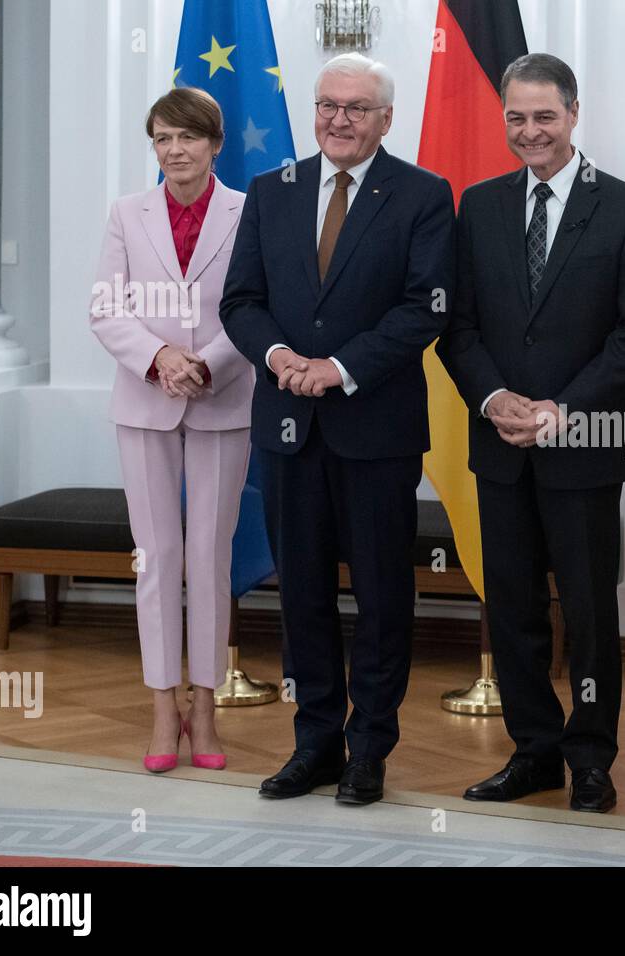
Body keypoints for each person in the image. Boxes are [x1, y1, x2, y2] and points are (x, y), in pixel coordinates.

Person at [220, 53, 454, 805]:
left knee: (383, 599)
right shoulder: (272, 191)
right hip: (287, 428)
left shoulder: (422, 194)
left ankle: (369, 751)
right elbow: (241, 302)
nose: (339, 120)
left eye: (356, 108)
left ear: (386, 119)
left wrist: (340, 368)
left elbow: (427, 307)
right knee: (303, 597)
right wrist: (281, 357)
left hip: (376, 430)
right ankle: (315, 744)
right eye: (328, 105)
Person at [436, 53, 625, 813]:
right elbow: (458, 326)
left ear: (573, 114)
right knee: (513, 606)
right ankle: (533, 750)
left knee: (589, 612)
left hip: (585, 442)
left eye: (544, 116)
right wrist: (495, 396)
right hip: (500, 443)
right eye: (516, 118)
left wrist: (561, 410)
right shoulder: (479, 206)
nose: (530, 131)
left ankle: (591, 757)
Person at [90, 87, 253, 773]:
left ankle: (205, 711)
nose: (175, 150)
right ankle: (164, 708)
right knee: (155, 558)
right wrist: (160, 358)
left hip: (223, 396)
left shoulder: (248, 211)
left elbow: (256, 306)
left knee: (210, 557)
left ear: (215, 143)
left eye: (188, 137)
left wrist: (206, 364)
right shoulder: (126, 214)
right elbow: (107, 307)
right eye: (162, 138)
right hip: (144, 399)